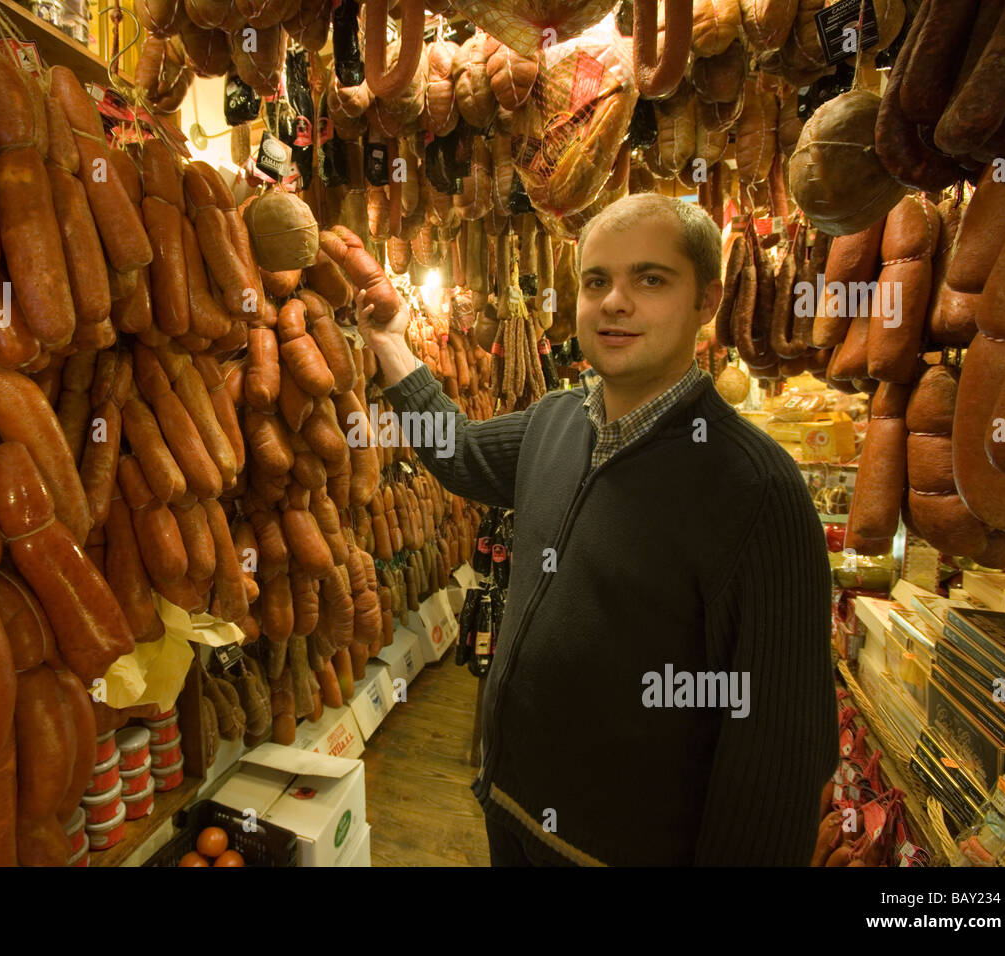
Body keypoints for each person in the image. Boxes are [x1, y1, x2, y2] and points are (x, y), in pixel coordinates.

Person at [356, 193, 837, 866]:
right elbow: (459, 451)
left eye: (650, 279)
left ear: (707, 302)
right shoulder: (557, 421)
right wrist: (387, 345)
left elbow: (778, 752)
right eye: (596, 280)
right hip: (510, 815)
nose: (614, 302)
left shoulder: (758, 491)